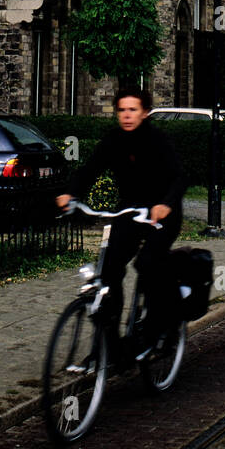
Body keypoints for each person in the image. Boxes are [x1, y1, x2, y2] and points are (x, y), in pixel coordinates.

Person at [56, 86, 185, 360]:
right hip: (128, 213)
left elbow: (178, 177)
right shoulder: (113, 140)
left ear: (145, 113)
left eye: (133, 110)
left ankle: (154, 329)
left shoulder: (157, 140)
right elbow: (90, 169)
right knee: (109, 269)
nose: (126, 116)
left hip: (161, 215)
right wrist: (72, 193)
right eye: (122, 110)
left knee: (147, 263)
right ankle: (109, 345)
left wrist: (165, 204)